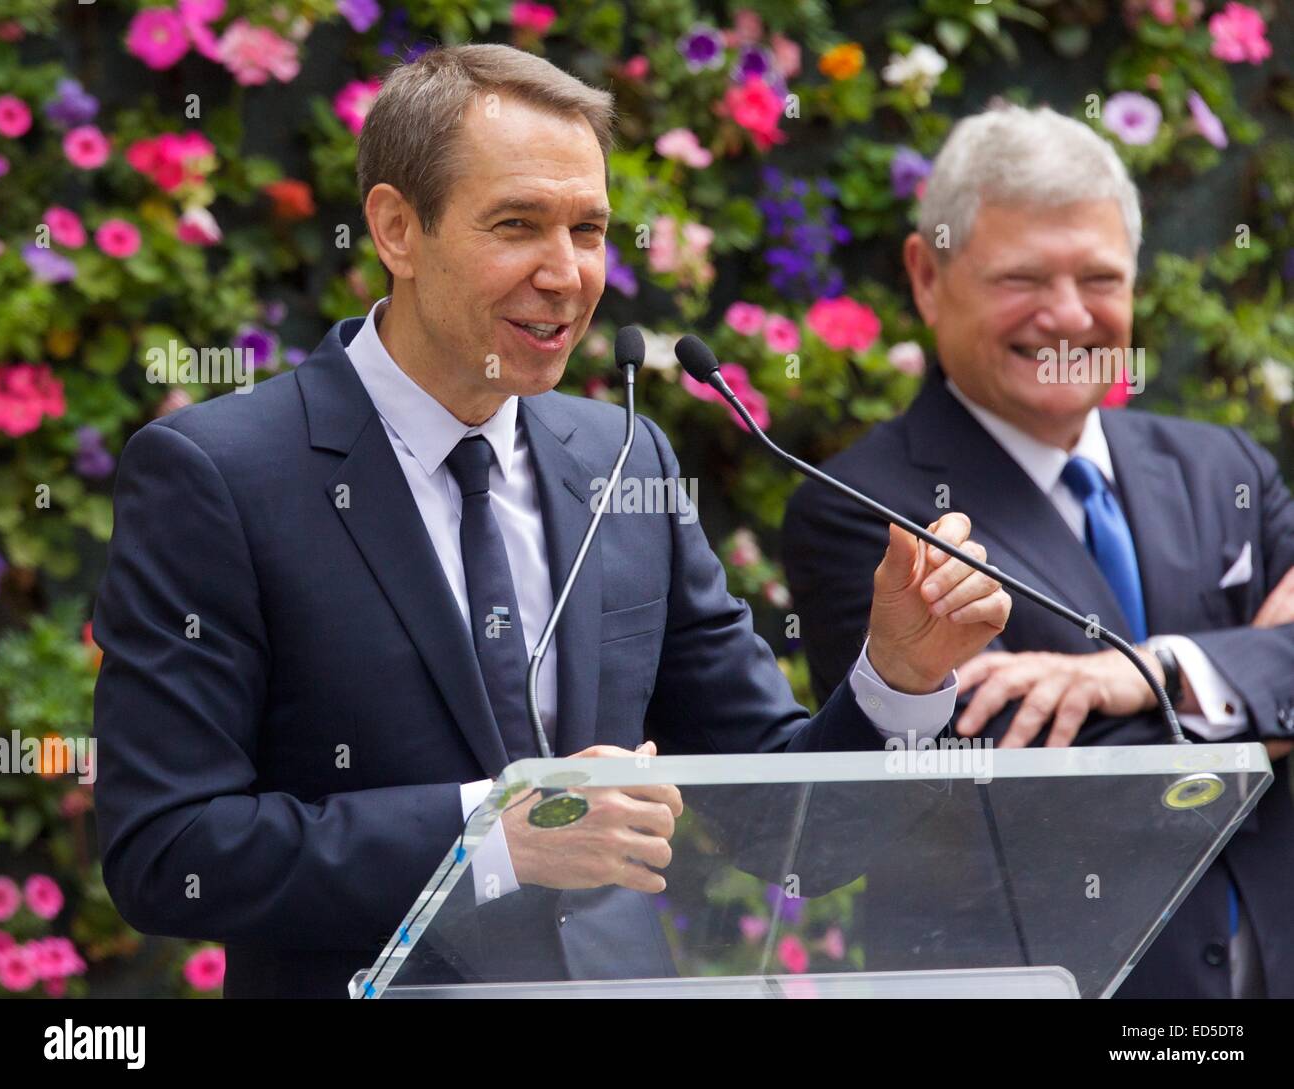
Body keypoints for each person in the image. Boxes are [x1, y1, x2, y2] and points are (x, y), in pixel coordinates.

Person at [91, 45, 1010, 999]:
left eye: (590, 229)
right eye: (518, 225)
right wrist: (491, 833)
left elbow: (789, 832)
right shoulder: (219, 474)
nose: (567, 274)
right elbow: (166, 848)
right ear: (398, 229)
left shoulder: (625, 460)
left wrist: (900, 679)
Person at [783, 103, 1294, 999]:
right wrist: (1253, 689)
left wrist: (1148, 673)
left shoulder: (1225, 466)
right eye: (1023, 278)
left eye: (1100, 278)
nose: (1067, 317)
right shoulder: (864, 509)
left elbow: (1098, 714)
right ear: (927, 276)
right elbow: (1001, 769)